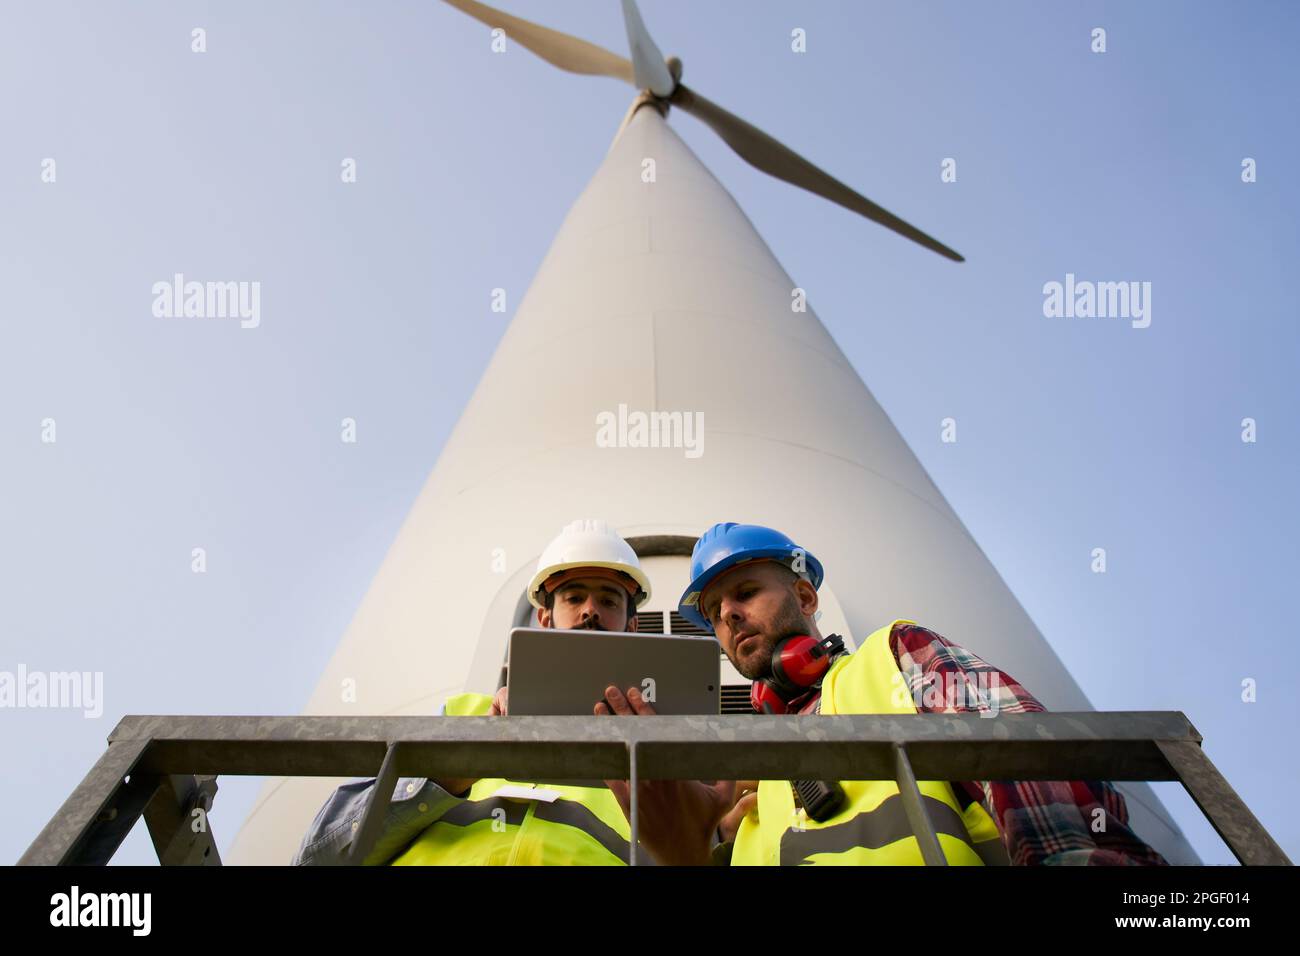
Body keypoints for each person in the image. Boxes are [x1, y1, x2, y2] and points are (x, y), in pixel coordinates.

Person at [594, 522, 1169, 866]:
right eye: (716, 614)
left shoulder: (895, 656)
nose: (731, 617)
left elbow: (1030, 769)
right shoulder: (746, 780)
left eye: (745, 592)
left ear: (806, 596)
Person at [292, 519, 653, 865]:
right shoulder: (463, 714)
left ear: (632, 627)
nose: (590, 610)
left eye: (608, 601)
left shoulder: (657, 747)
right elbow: (316, 856)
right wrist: (455, 768)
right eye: (574, 598)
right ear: (544, 620)